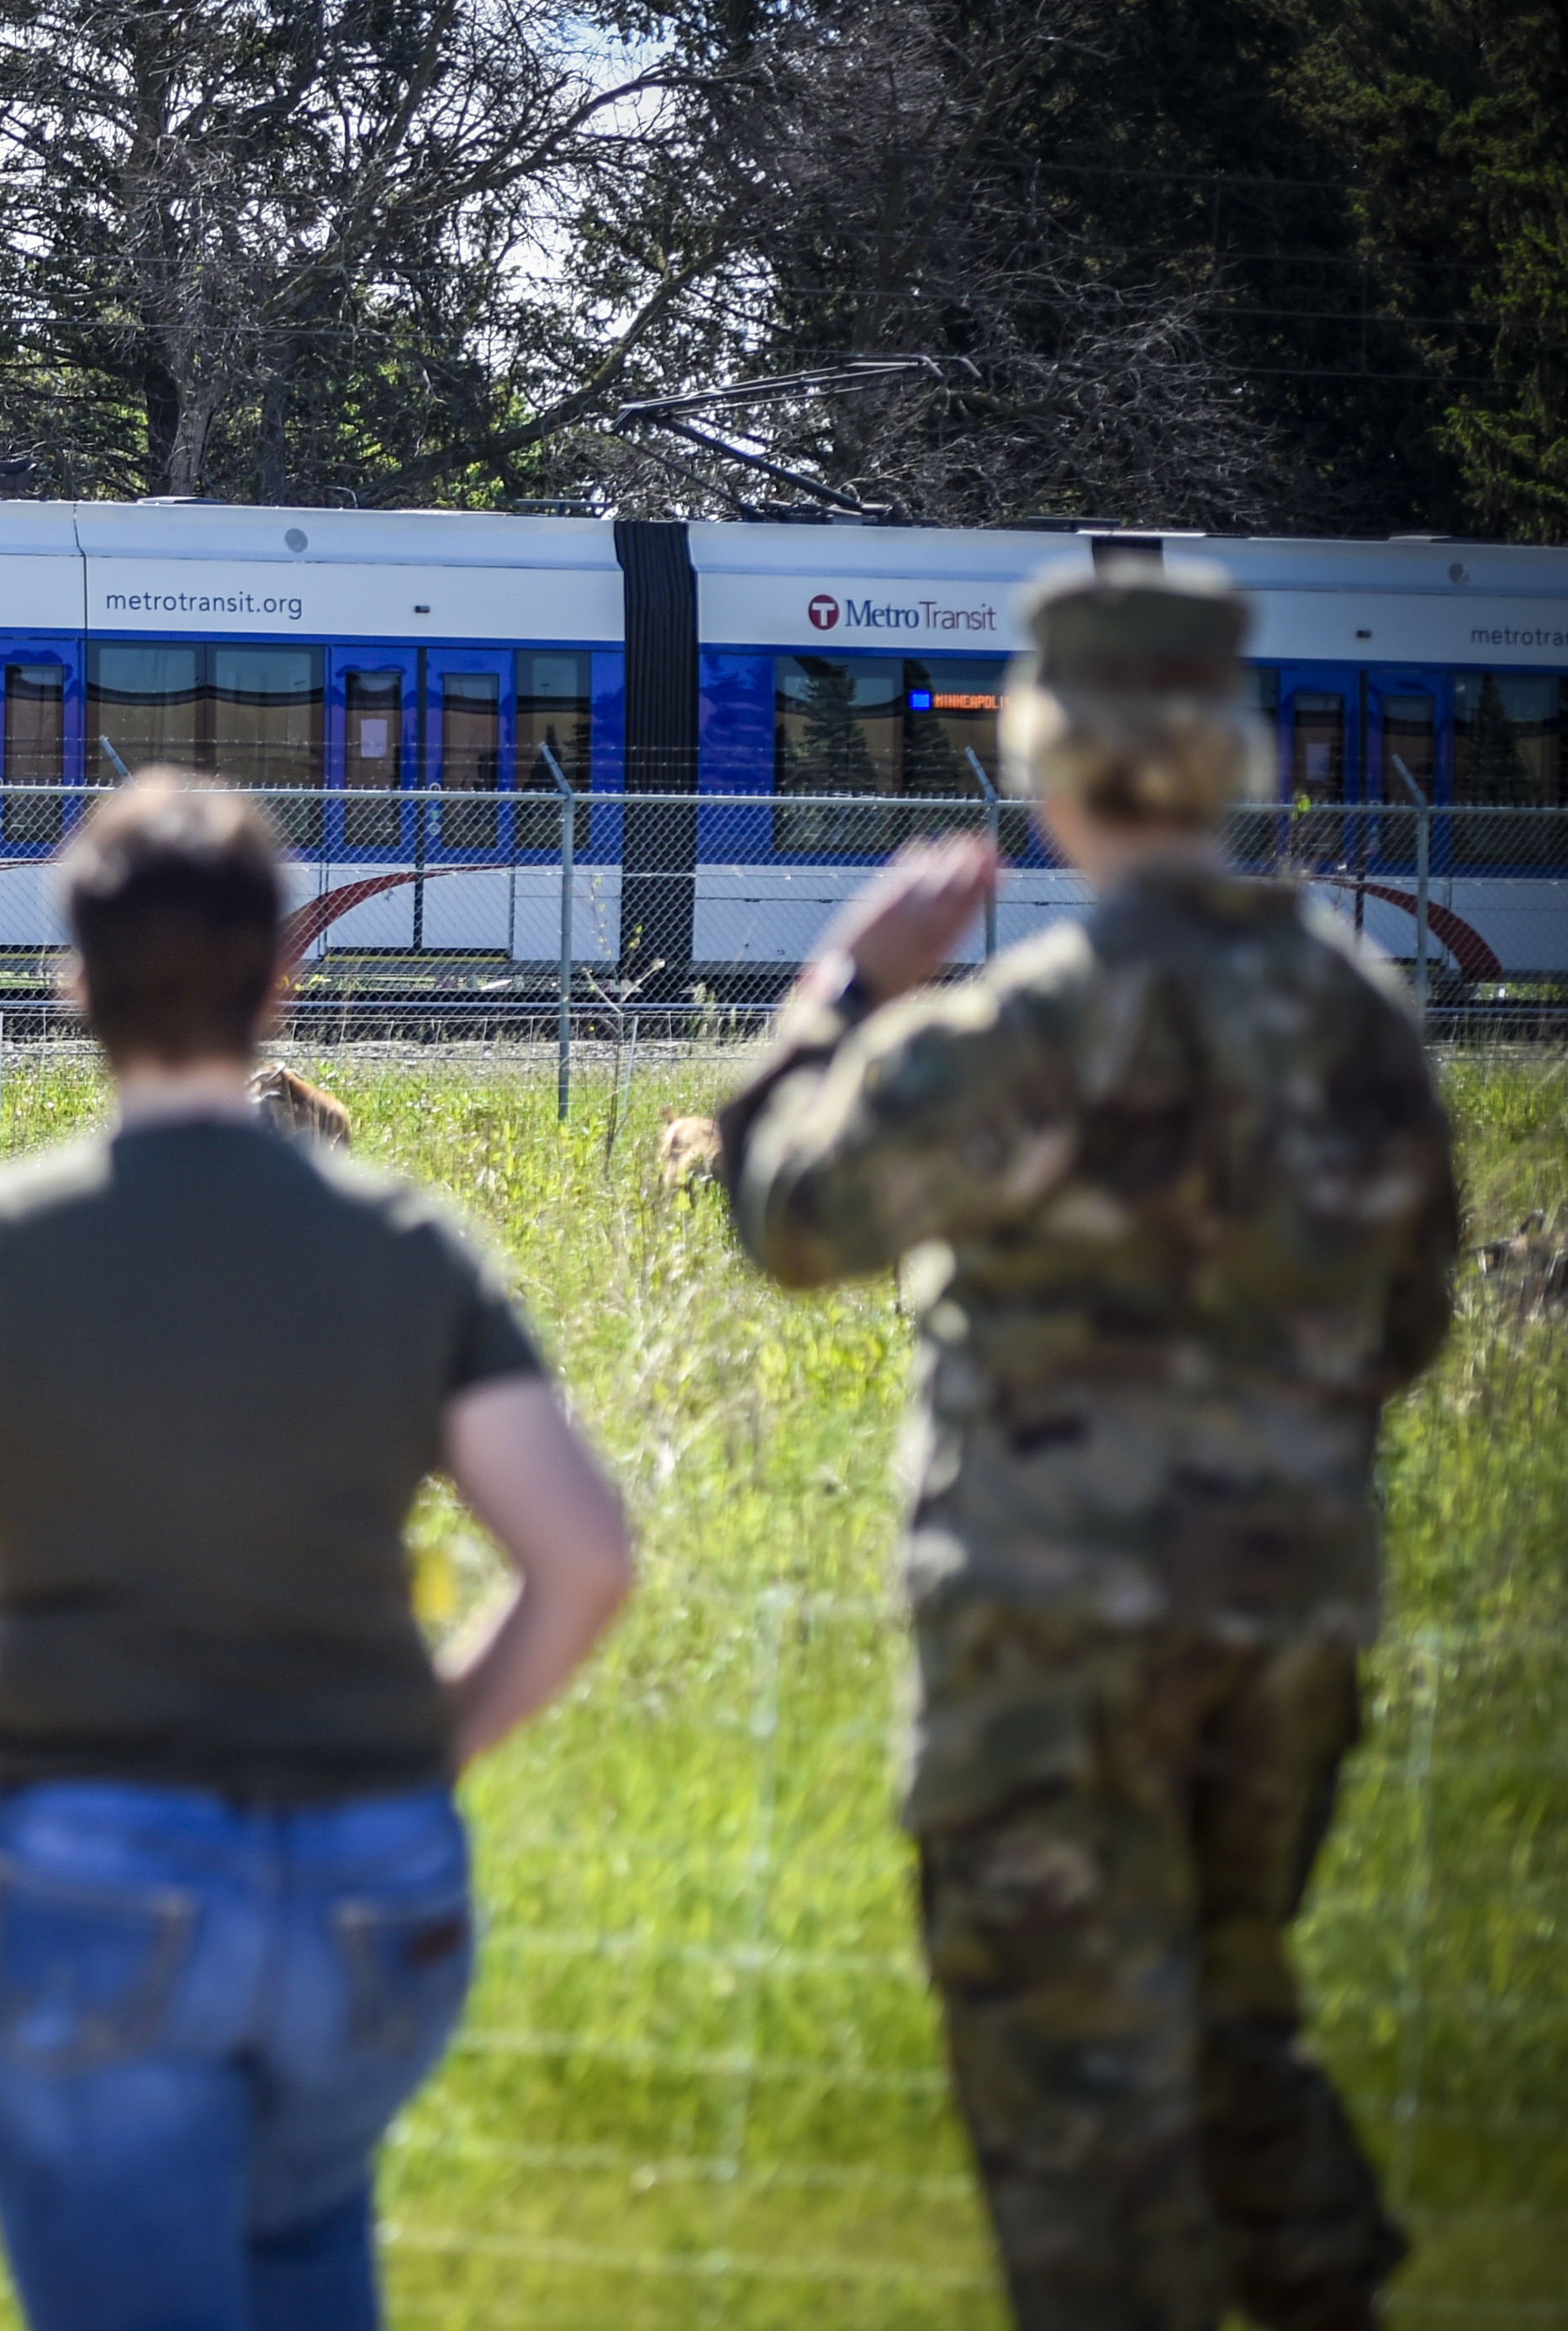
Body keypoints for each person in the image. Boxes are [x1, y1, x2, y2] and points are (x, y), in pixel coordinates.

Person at [0, 777, 636, 2331]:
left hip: (86, 1876)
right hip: (375, 1895)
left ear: (77, 981)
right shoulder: (408, 1246)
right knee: (302, 2251)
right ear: (281, 980)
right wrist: (427, 1742)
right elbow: (583, 1558)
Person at [713, 562, 1461, 2331]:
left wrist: (841, 989)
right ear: (1230, 758)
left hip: (1050, 1640)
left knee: (1068, 2089)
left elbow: (792, 1217)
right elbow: (1412, 1318)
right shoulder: (1355, 1011)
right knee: (1229, 2025)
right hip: (1285, 1620)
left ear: (1047, 767)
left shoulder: (1045, 1017)